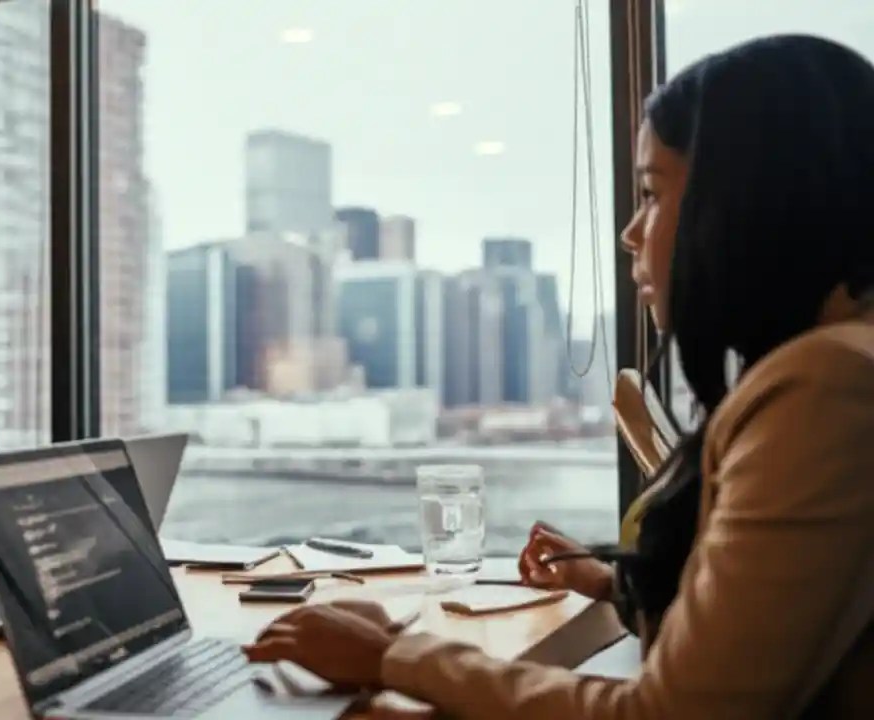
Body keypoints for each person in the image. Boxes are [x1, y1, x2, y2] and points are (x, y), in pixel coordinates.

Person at [244, 34, 874, 718]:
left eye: (651, 193)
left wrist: (393, 655)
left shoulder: (823, 385)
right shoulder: (836, 361)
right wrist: (615, 585)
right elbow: (768, 646)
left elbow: (669, 714)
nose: (632, 234)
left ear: (750, 203)